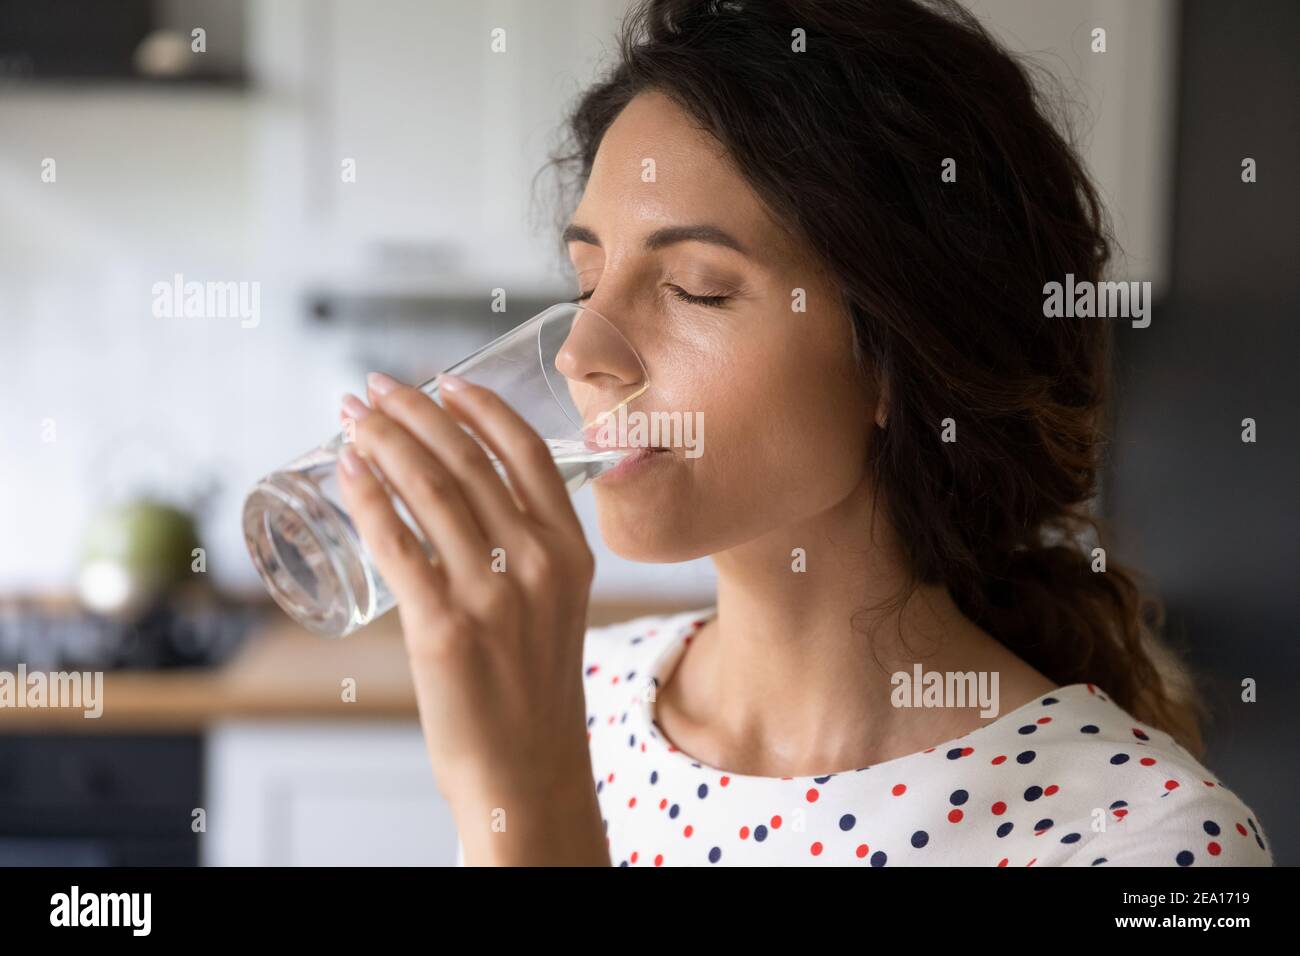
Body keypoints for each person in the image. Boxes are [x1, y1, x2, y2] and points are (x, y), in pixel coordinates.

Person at [333, 0, 1273, 866]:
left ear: (898, 359)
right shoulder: (573, 691)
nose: (581, 353)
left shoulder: (1150, 840)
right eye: (585, 282)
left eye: (696, 287)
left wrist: (527, 803)